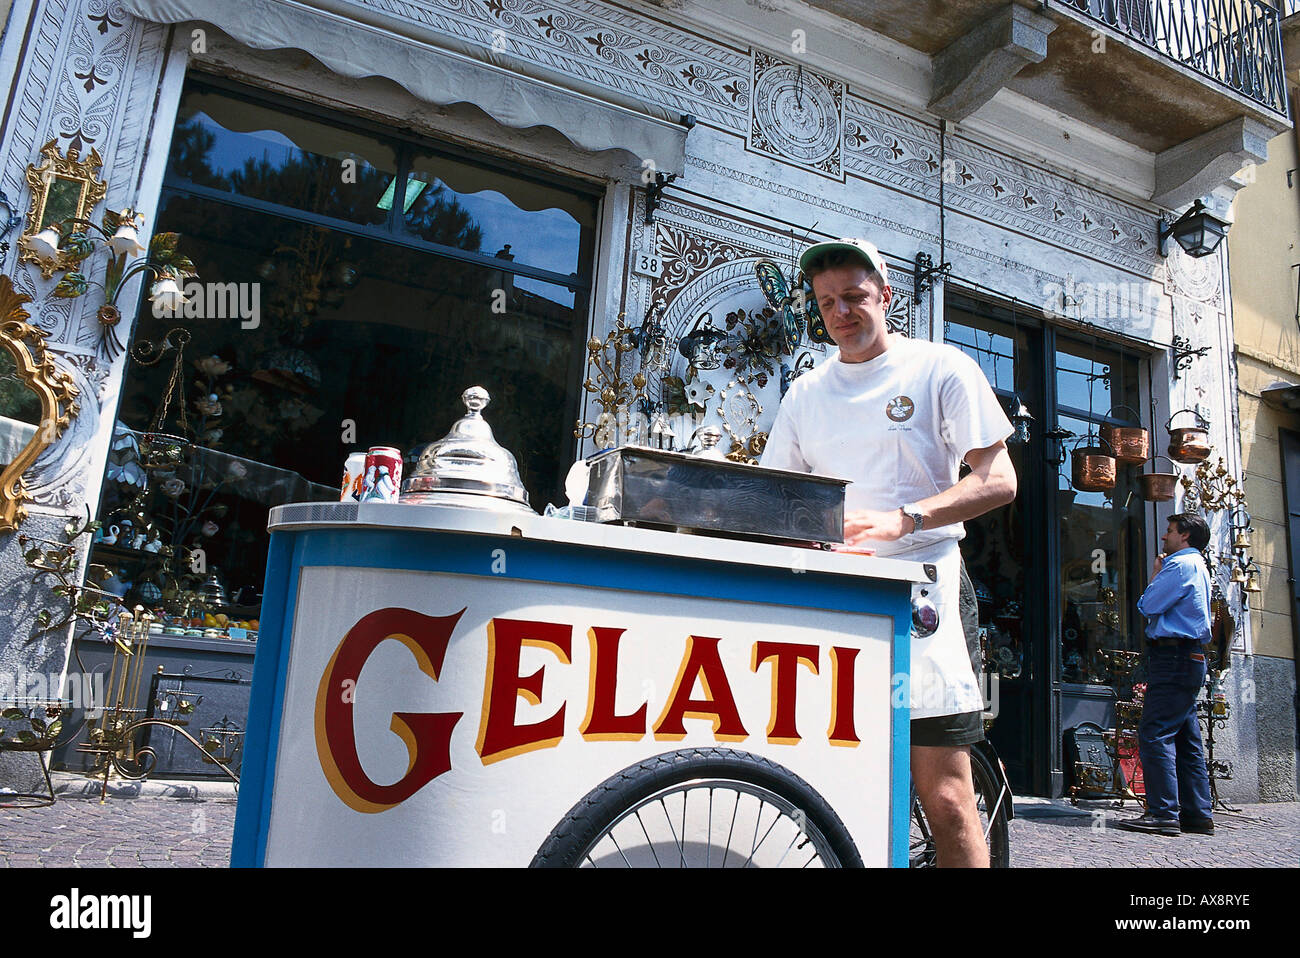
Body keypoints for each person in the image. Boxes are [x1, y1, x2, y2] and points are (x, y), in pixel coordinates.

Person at [761, 238, 1017, 867]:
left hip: (924, 596)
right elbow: (775, 499)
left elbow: (999, 480)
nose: (841, 313)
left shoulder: (940, 367)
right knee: (829, 785)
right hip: (833, 597)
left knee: (948, 796)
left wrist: (904, 520)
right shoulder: (805, 394)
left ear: (886, 296)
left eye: (854, 296)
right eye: (827, 303)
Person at [1115, 513, 1214, 836]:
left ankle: (1163, 813)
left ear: (1184, 536)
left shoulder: (1179, 566)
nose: (1164, 537)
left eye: (1170, 531)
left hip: (1174, 656)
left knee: (1155, 731)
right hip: (1190, 656)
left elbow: (1149, 605)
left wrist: (1156, 575)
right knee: (1186, 738)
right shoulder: (1198, 566)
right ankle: (1198, 814)